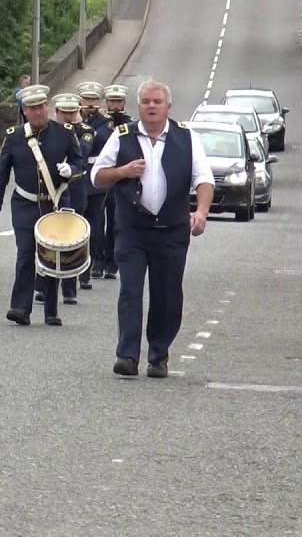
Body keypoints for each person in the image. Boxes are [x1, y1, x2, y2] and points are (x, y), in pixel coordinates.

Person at [92, 80, 214, 378]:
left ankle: (158, 355)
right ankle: (128, 355)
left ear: (168, 107)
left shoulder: (186, 138)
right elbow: (97, 176)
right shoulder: (122, 136)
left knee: (167, 295)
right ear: (138, 107)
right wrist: (123, 172)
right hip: (133, 229)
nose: (151, 106)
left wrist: (201, 211)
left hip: (172, 230)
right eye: (145, 101)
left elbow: (204, 179)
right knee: (130, 291)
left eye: (157, 102)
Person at [0, 84, 85, 327]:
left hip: (54, 204)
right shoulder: (14, 137)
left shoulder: (64, 133)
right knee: (25, 254)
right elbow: (2, 172)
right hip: (25, 204)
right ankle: (20, 307)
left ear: (47, 107)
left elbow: (79, 162)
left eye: (41, 106)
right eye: (32, 108)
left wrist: (70, 169)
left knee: (52, 257)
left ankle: (51, 310)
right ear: (25, 112)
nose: (38, 112)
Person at [50, 93, 93, 306]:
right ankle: (45, 286)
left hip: (75, 189)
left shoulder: (85, 131)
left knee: (71, 239)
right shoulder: (47, 131)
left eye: (72, 112)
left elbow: (83, 152)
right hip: (51, 190)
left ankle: (69, 288)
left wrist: (71, 130)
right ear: (56, 112)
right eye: (64, 113)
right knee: (49, 238)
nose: (68, 117)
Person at [75, 80, 112, 292]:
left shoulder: (104, 122)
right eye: (86, 99)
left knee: (96, 223)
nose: (89, 103)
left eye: (93, 100)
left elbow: (103, 139)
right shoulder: (74, 120)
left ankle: (95, 261)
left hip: (95, 176)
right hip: (78, 176)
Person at [97, 84, 133, 279]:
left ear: (124, 103)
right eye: (112, 101)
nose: (116, 105)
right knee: (96, 220)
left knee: (114, 221)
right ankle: (98, 259)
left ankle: (111, 262)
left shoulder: (130, 124)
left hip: (119, 177)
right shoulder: (100, 122)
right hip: (101, 176)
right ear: (107, 102)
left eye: (119, 101)